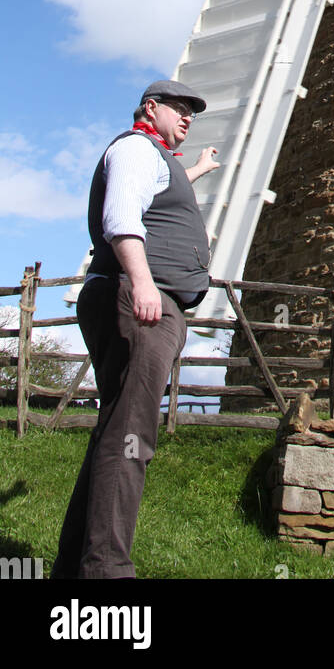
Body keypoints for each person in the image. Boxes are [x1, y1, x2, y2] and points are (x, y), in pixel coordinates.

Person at [52, 79, 219, 580]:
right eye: (179, 108)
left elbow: (157, 193)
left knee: (116, 430)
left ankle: (73, 567)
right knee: (131, 435)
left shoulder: (155, 158)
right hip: (138, 300)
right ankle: (106, 572)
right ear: (151, 107)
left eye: (193, 111)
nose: (188, 116)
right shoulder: (134, 148)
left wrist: (198, 170)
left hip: (142, 300)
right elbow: (122, 215)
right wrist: (144, 284)